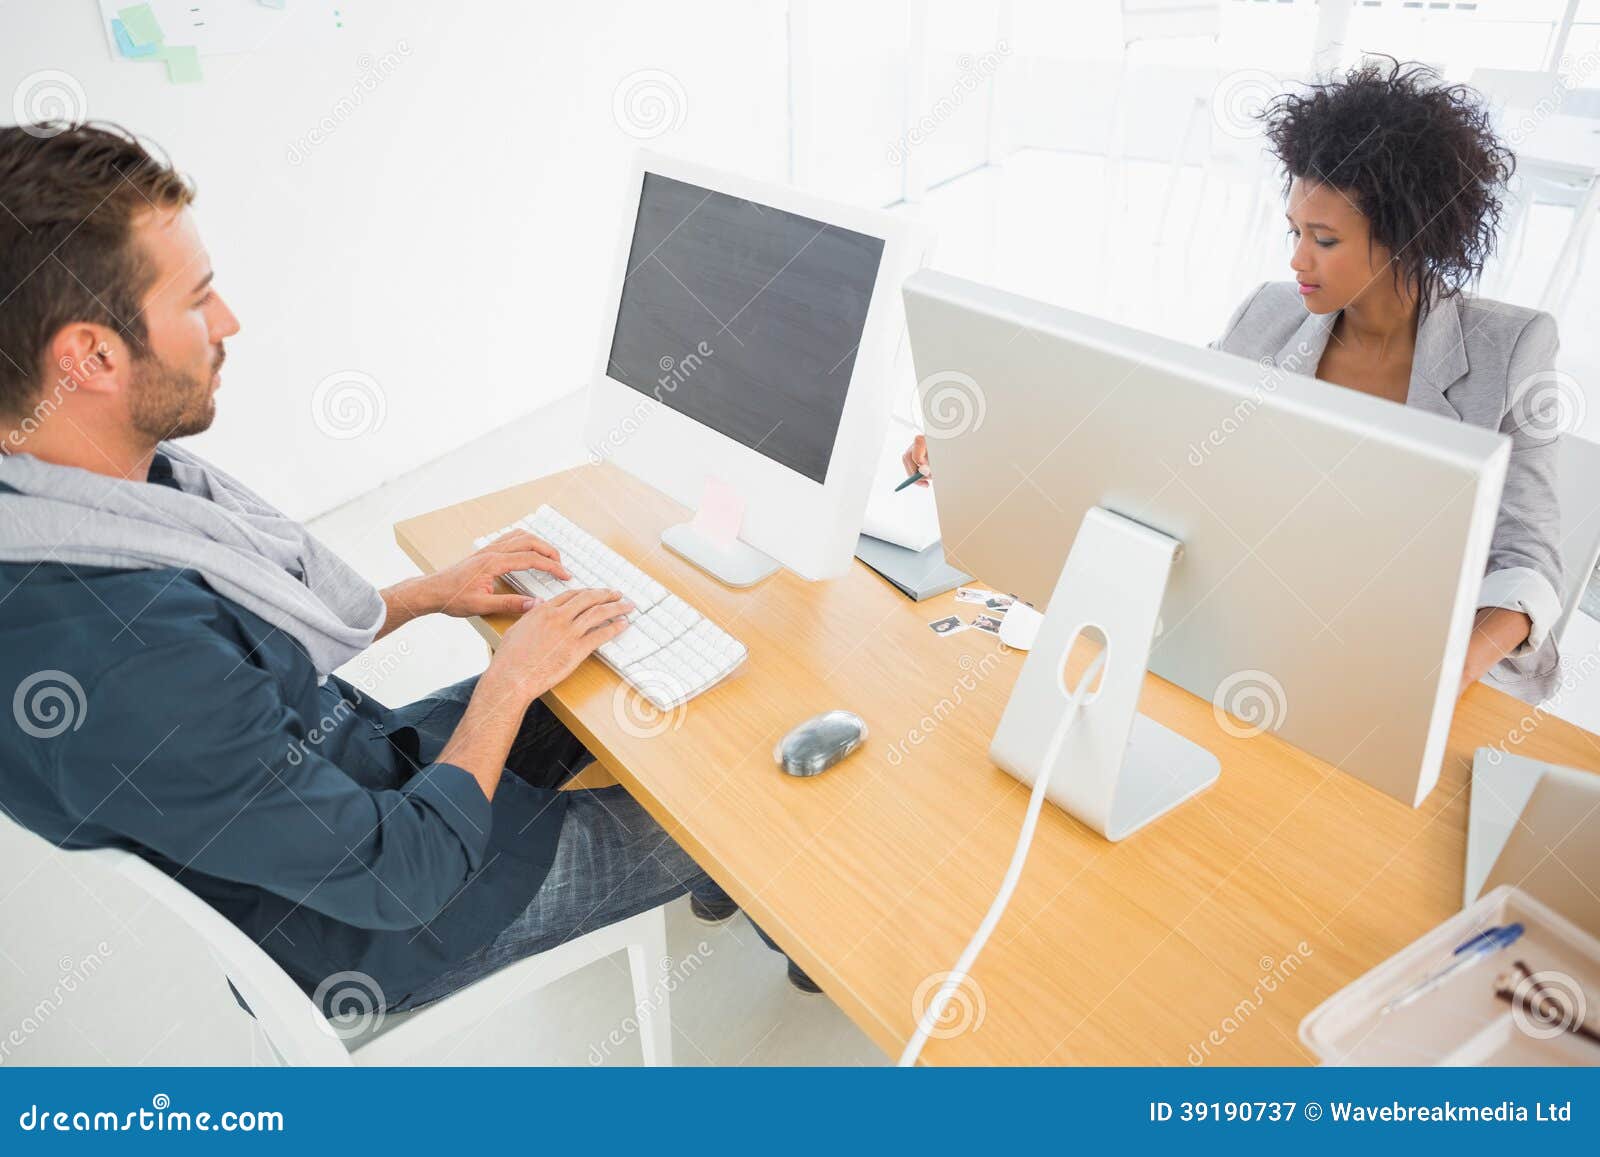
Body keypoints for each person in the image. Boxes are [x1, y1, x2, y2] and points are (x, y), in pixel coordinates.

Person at [0, 122, 815, 1025]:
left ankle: (735, 883)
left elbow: (244, 656)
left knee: (626, 669)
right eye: (197, 300)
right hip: (383, 919)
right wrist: (507, 683)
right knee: (753, 816)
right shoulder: (121, 658)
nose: (228, 322)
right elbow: (403, 876)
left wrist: (431, 592)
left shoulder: (76, 502)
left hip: (339, 793)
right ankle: (767, 902)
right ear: (91, 357)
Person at [904, 59, 1563, 703]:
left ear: (1407, 238)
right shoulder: (1268, 315)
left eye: (1325, 240)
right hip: (1267, 637)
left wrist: (1446, 674)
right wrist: (987, 440)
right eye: (1294, 231)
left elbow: (1527, 559)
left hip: (1421, 669)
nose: (1297, 259)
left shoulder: (1510, 350)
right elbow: (1152, 425)